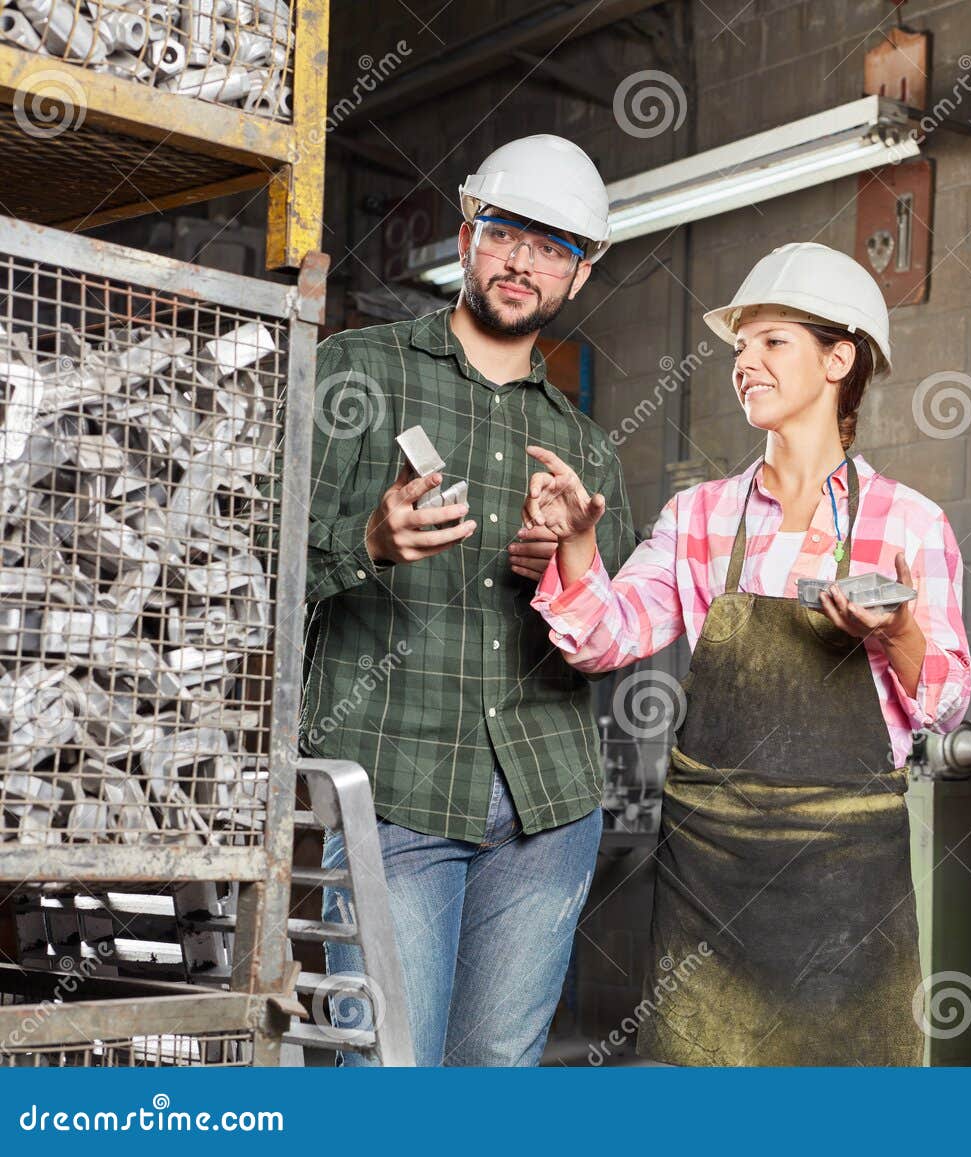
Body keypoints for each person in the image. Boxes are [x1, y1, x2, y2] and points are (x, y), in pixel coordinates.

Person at [512, 242, 971, 1065]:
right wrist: (579, 549)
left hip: (847, 874)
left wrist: (898, 632)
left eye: (772, 342)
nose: (745, 364)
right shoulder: (700, 517)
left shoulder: (909, 523)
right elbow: (604, 639)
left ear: (840, 358)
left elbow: (944, 702)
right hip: (709, 873)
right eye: (739, 348)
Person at [304, 135, 633, 1065]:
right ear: (467, 234)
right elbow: (255, 566)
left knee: (495, 1084)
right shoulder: (354, 375)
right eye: (506, 233)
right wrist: (363, 546)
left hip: (546, 803)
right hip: (394, 794)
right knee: (388, 1077)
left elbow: (616, 636)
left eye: (554, 247)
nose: (523, 262)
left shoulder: (586, 448)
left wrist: (570, 563)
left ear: (580, 271)